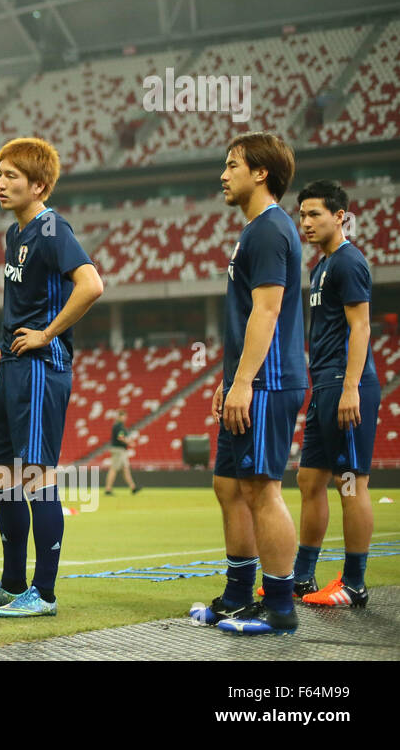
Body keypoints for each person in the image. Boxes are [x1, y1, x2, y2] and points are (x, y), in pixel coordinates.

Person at [0, 138, 103, 618]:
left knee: (37, 477)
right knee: (2, 477)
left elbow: (91, 284)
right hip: (14, 367)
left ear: (39, 185)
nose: (0, 183)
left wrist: (46, 333)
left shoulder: (51, 227)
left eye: (11, 176)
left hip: (43, 368)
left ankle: (43, 594)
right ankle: (11, 582)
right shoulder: (14, 233)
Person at [190, 133, 306, 636]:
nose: (223, 174)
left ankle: (280, 606)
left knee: (262, 488)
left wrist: (243, 384)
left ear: (261, 173)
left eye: (232, 164)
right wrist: (227, 381)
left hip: (268, 381)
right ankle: (238, 595)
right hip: (248, 380)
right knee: (229, 486)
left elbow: (267, 310)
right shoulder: (255, 231)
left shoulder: (269, 230)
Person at [291, 180, 379, 607]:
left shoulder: (349, 262)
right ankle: (302, 577)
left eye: (315, 215)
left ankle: (355, 583)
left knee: (350, 482)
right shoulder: (319, 267)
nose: (306, 223)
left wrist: (350, 389)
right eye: (302, 215)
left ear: (340, 216)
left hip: (348, 385)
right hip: (322, 384)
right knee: (309, 480)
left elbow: (360, 326)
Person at [103, 410, 140, 494]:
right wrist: (129, 442)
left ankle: (133, 487)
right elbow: (121, 437)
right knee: (114, 469)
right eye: (123, 416)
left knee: (125, 469)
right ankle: (108, 489)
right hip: (118, 450)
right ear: (119, 417)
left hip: (121, 450)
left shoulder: (118, 426)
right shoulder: (119, 426)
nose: (125, 418)